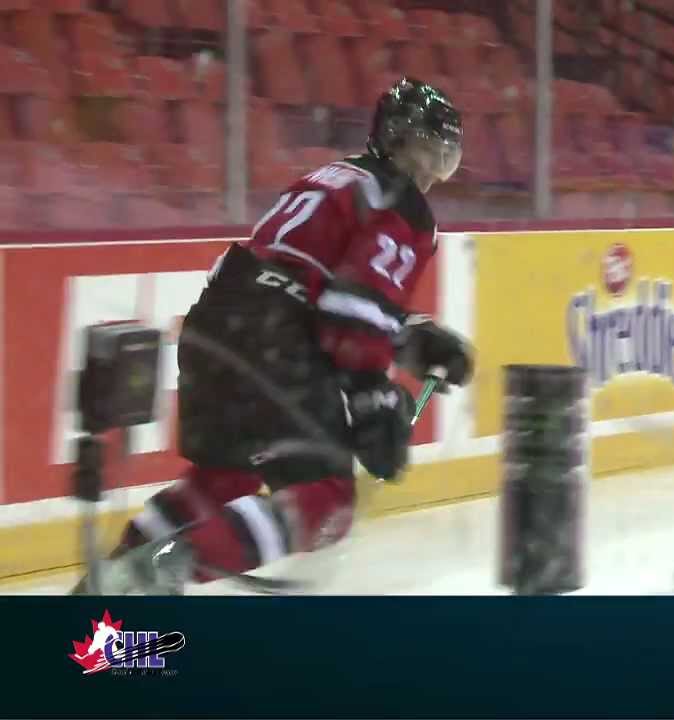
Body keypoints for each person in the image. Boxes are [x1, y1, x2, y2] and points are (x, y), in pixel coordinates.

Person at [79, 78, 475, 595]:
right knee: (326, 499)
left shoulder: (331, 177)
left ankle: (102, 599)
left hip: (216, 323)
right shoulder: (403, 205)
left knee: (222, 482)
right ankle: (160, 573)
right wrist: (375, 406)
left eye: (439, 156)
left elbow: (310, 280)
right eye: (421, 151)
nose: (427, 169)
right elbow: (350, 313)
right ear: (393, 141)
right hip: (271, 339)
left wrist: (412, 338)